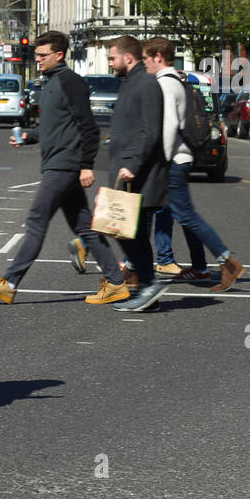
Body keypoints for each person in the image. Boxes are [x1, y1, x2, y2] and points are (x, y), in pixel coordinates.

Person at [0, 31, 128, 306]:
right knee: (85, 227)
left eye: (43, 56)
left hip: (64, 166)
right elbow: (53, 127)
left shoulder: (71, 82)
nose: (38, 60)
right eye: (36, 56)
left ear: (59, 55)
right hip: (58, 163)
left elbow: (89, 128)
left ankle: (9, 283)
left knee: (35, 221)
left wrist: (85, 166)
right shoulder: (51, 84)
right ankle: (116, 282)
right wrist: (29, 136)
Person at [142, 38, 244, 290]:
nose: (143, 63)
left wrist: (157, 163)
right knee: (179, 216)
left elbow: (168, 128)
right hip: (178, 159)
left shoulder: (165, 84)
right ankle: (199, 267)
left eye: (145, 58)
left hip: (172, 161)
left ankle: (227, 262)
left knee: (183, 216)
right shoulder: (173, 81)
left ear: (157, 56)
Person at [102, 35, 170, 312]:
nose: (110, 64)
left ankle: (149, 285)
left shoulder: (147, 84)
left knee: (131, 233)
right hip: (127, 172)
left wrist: (133, 164)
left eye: (112, 58)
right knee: (125, 231)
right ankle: (147, 287)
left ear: (128, 58)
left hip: (140, 175)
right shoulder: (131, 83)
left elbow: (150, 131)